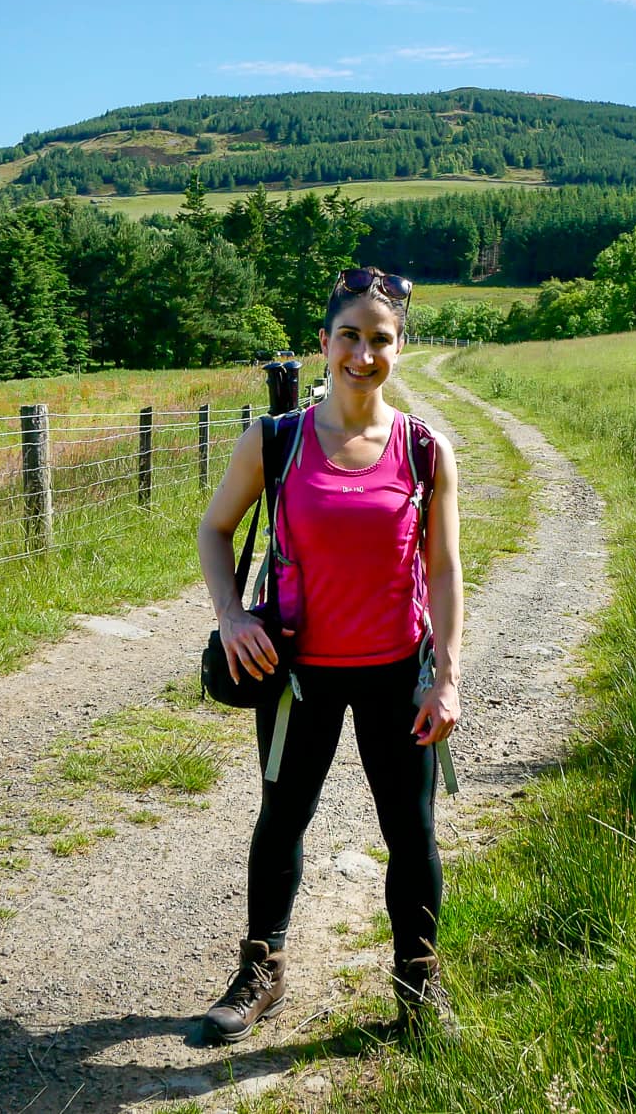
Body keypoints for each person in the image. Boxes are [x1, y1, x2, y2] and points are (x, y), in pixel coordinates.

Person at [193, 268, 464, 1045]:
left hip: (396, 673)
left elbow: (443, 571)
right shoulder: (275, 441)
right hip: (297, 679)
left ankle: (418, 987)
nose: (363, 353)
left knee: (410, 832)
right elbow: (214, 530)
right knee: (282, 819)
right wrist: (232, 612)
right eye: (349, 335)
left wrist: (446, 677)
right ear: (324, 342)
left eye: (381, 338)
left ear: (400, 346)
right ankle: (261, 969)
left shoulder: (423, 449)